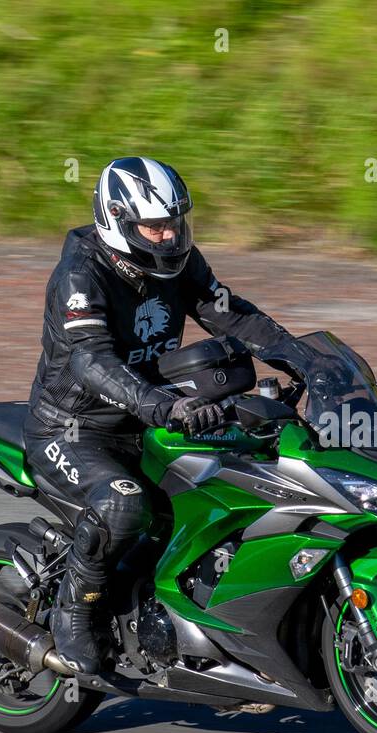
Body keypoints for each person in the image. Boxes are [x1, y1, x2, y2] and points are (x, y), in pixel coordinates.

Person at [23, 156, 295, 673]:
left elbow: (227, 313)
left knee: (246, 479)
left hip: (152, 420)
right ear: (117, 222)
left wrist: (303, 356)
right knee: (125, 507)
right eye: (155, 227)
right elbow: (90, 360)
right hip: (74, 428)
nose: (169, 237)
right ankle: (74, 612)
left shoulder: (178, 261)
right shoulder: (81, 277)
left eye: (175, 224)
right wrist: (163, 404)